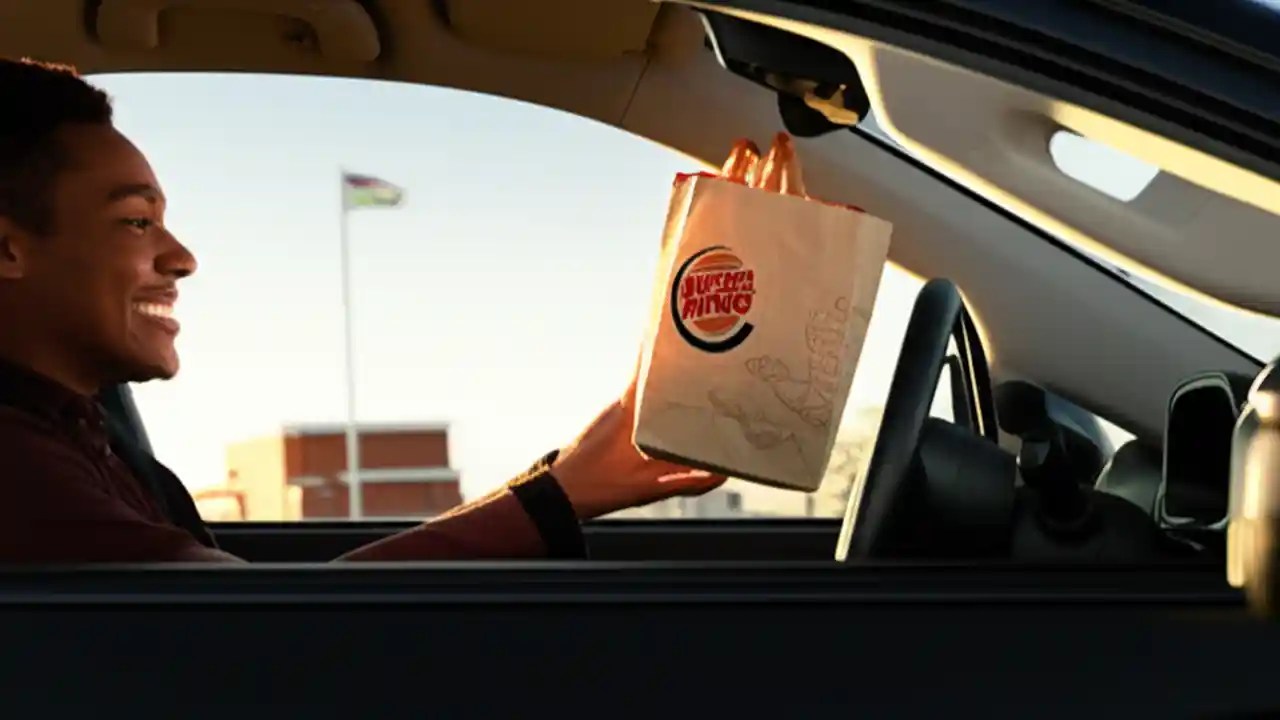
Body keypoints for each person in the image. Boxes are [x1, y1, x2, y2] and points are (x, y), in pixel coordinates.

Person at [0, 58, 726, 563]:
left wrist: (563, 487)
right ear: (8, 250)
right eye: (135, 222)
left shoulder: (80, 438)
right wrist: (564, 492)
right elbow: (263, 636)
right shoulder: (21, 468)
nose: (181, 256)